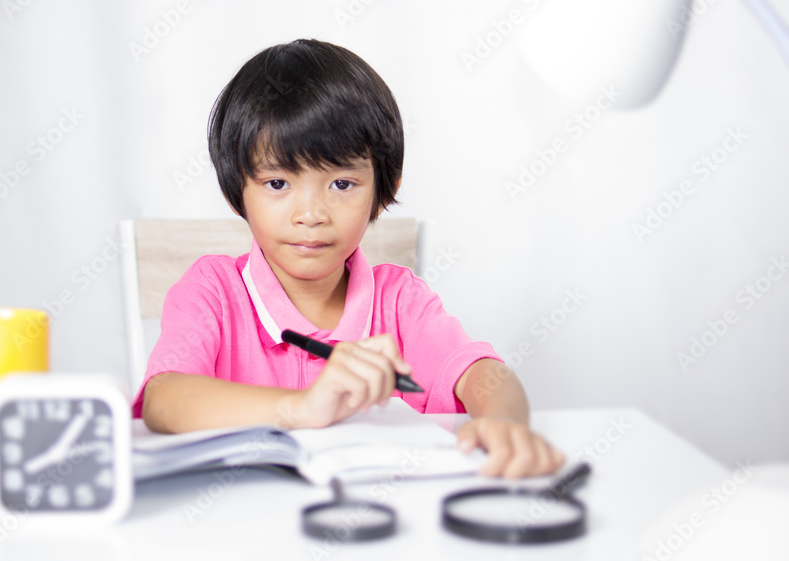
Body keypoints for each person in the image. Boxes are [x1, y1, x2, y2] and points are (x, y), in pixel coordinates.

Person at [134, 39, 564, 478]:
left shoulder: (400, 301)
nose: (311, 215)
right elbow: (163, 400)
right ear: (234, 191)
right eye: (277, 183)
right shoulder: (211, 290)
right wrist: (302, 408)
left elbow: (483, 374)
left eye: (341, 184)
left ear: (384, 191)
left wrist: (505, 424)